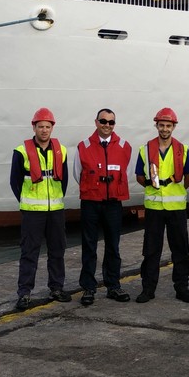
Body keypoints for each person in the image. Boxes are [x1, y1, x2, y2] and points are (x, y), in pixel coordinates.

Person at [134, 107, 189, 303]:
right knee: (151, 251)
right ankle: (148, 289)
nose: (164, 129)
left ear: (174, 127)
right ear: (156, 126)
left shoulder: (183, 150)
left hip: (176, 209)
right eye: (161, 125)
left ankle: (182, 288)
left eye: (168, 125)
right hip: (154, 208)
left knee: (180, 250)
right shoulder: (145, 150)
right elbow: (139, 176)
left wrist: (175, 192)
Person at [10, 107, 71, 311]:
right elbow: (15, 181)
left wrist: (54, 200)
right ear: (34, 127)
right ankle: (25, 293)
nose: (44, 130)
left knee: (57, 251)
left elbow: (64, 181)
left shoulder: (60, 150)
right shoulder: (21, 151)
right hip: (32, 212)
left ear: (52, 128)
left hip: (55, 210)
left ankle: (56, 288)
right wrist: (27, 203)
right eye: (40, 126)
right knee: (29, 253)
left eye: (47, 126)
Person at [74, 108, 132, 305]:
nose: (107, 125)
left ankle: (113, 285)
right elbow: (77, 173)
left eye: (111, 122)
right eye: (103, 121)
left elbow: (127, 173)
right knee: (89, 246)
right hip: (91, 202)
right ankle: (88, 288)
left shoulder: (124, 146)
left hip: (113, 204)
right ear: (96, 122)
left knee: (113, 246)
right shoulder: (83, 146)